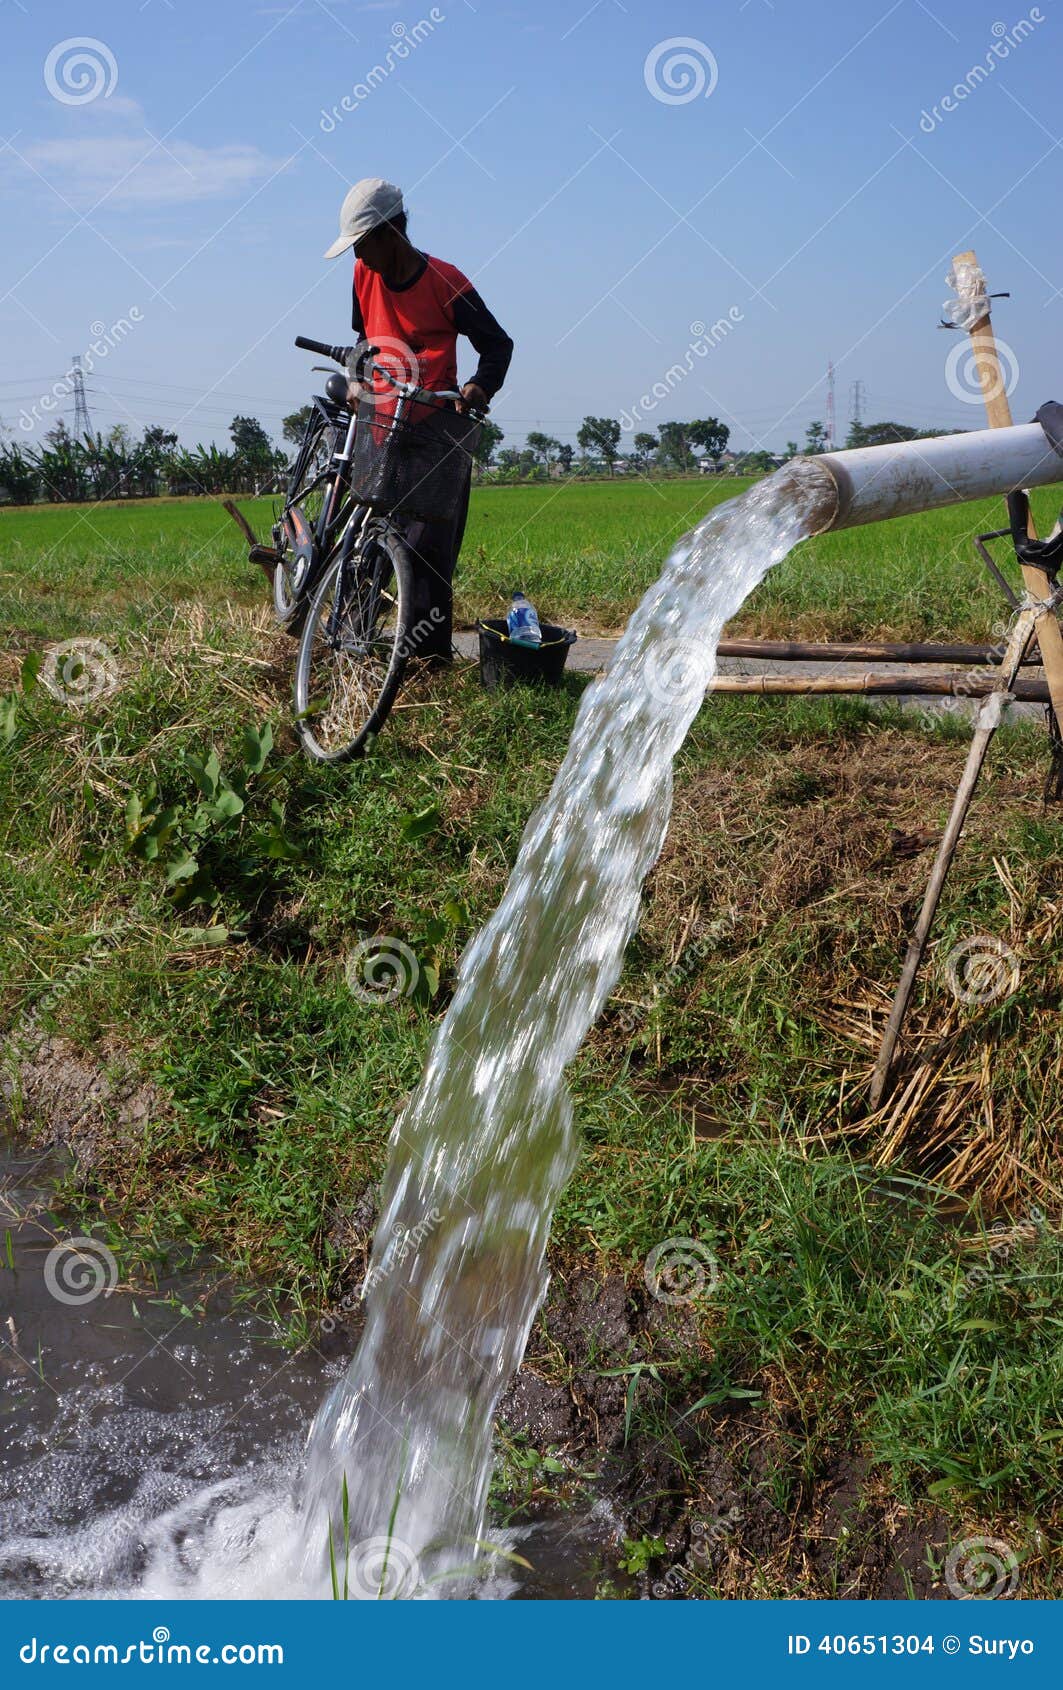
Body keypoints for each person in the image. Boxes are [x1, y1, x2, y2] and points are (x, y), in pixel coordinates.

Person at [324, 177, 514, 664]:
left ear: (392, 233)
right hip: (381, 427)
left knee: (429, 547)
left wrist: (477, 388)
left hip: (433, 432)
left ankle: (427, 663)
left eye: (363, 245)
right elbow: (364, 339)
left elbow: (497, 345)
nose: (358, 257)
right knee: (369, 535)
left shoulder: (446, 282)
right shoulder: (363, 277)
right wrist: (359, 379)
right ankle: (352, 645)